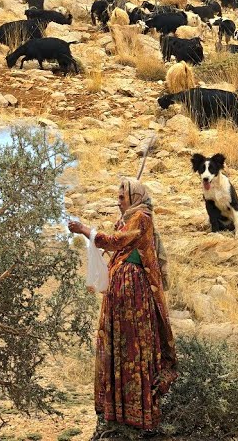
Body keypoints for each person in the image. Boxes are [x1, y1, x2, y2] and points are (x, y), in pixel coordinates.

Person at [68, 178, 177, 439]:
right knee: (120, 347)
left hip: (135, 293)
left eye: (122, 197)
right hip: (122, 294)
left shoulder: (141, 218)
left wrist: (85, 230)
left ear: (134, 197)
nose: (118, 202)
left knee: (134, 345)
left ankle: (138, 414)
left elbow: (116, 241)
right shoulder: (130, 218)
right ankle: (119, 413)